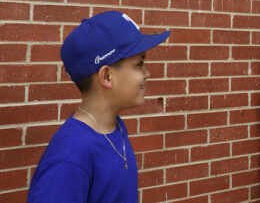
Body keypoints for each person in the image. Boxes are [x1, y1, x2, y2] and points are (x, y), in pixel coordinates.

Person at [28, 11, 171, 202]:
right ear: (107, 76)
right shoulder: (69, 159)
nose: (147, 73)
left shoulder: (114, 127)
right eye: (139, 64)